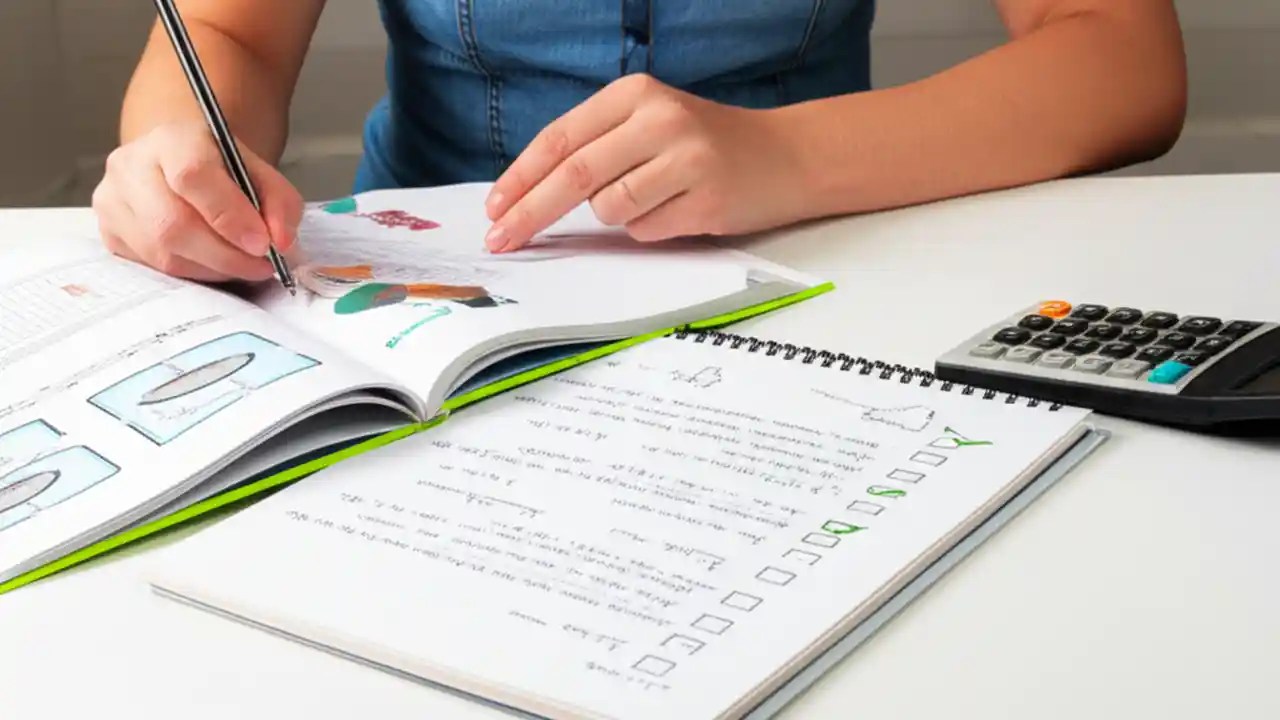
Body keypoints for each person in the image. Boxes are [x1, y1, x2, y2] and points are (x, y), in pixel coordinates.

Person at [92, 0, 1187, 281]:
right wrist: (180, 156)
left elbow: (1119, 58)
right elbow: (229, 31)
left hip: (822, 270)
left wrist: (787, 158)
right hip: (430, 299)